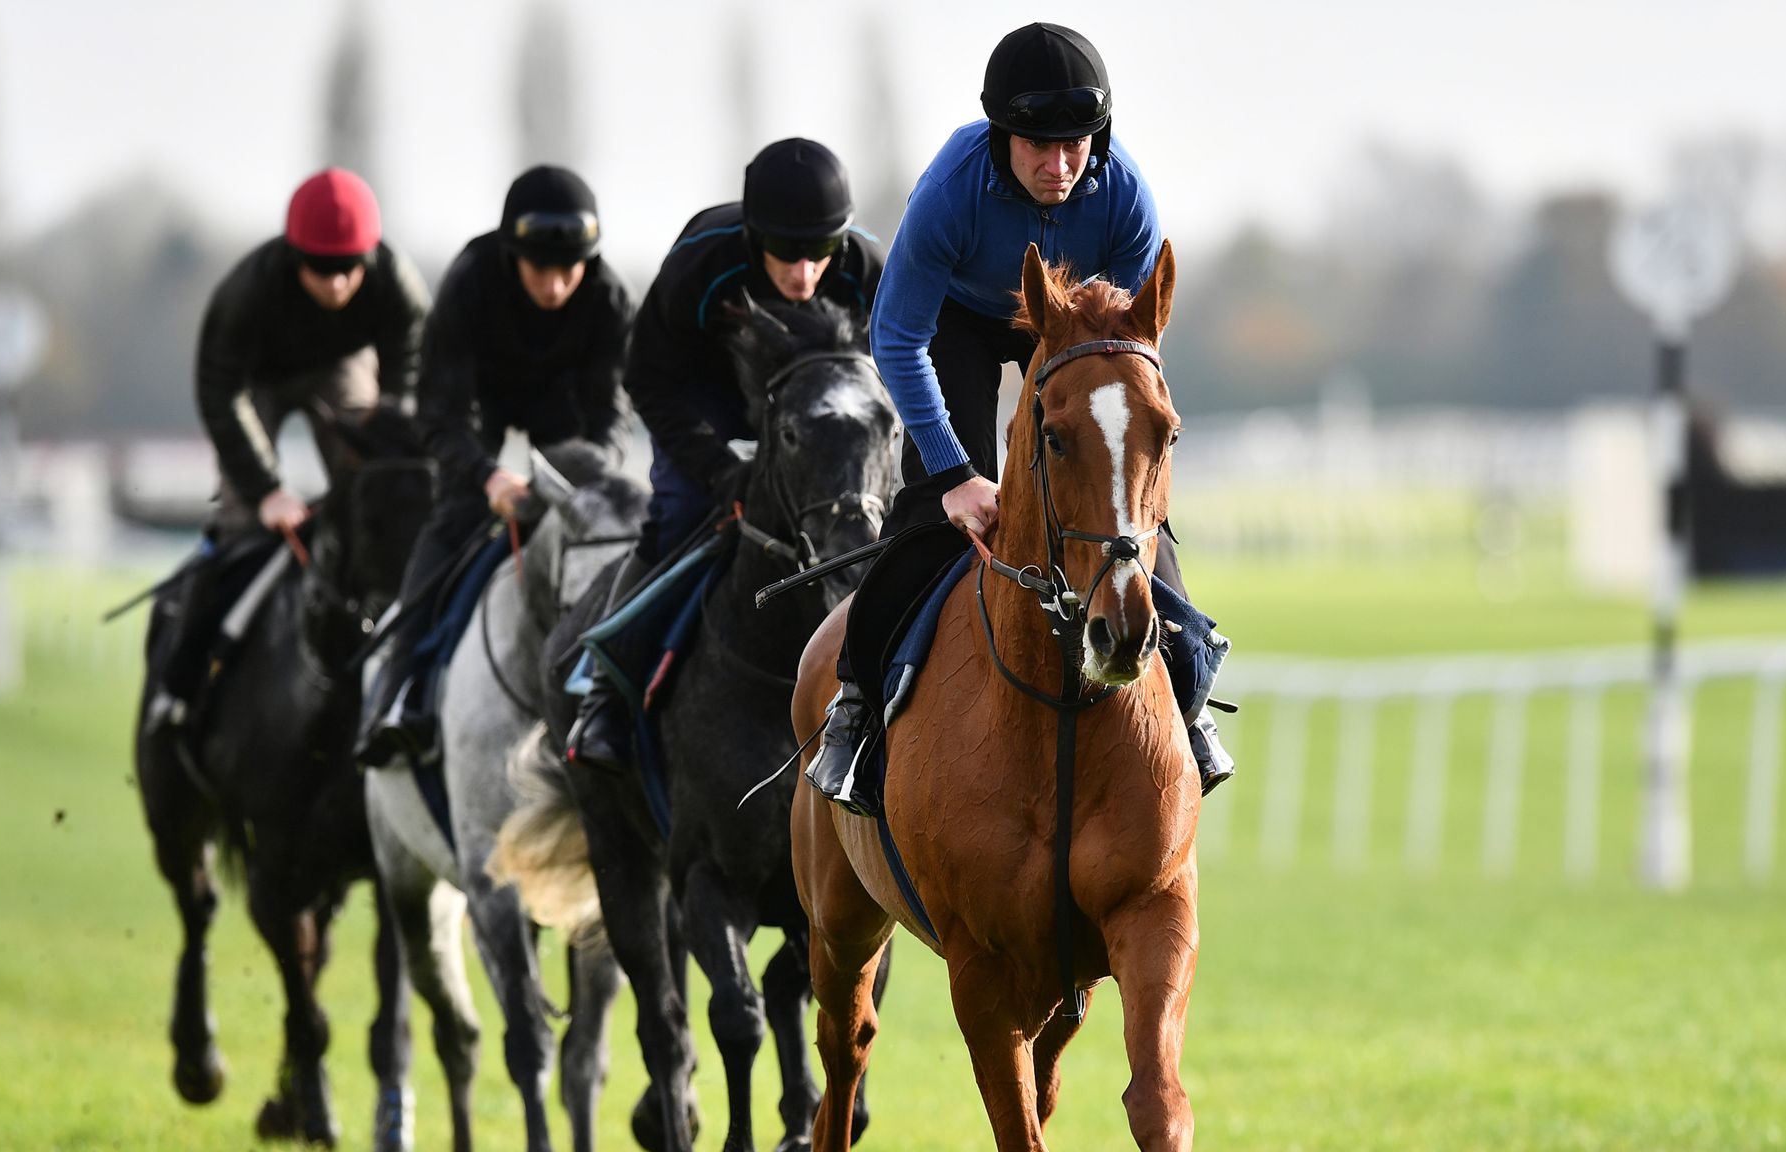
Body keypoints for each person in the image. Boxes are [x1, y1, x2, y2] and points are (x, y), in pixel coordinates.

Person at [804, 22, 1234, 800]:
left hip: (1075, 331)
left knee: (1136, 527)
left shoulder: (1127, 196)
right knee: (931, 516)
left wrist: (1132, 490)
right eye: (1038, 145)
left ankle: (1190, 704)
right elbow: (896, 336)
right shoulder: (950, 190)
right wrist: (954, 472)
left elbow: (1136, 355)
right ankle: (858, 710)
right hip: (960, 326)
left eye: (1076, 144)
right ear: (1002, 135)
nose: (1059, 164)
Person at [564, 138, 886, 773]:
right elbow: (648, 379)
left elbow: (899, 372)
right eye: (786, 254)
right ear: (752, 236)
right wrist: (717, 468)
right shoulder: (699, 263)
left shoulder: (868, 268)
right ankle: (603, 694)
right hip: (713, 405)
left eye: (819, 252)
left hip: (819, 415)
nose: (803, 275)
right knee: (679, 514)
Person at [356, 165, 637, 765]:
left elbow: (610, 422)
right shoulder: (469, 282)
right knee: (452, 520)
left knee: (603, 530)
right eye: (542, 270)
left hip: (565, 418)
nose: (558, 286)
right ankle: (399, 691)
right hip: (476, 404)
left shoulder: (610, 297)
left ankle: (620, 698)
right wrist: (487, 478)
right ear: (512, 257)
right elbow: (438, 414)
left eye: (571, 270)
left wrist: (576, 481)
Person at [146, 168, 429, 732]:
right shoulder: (246, 292)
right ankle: (183, 683)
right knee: (240, 522)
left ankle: (405, 667)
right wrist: (267, 491)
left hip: (343, 366)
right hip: (255, 385)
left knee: (383, 503)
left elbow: (409, 374)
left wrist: (387, 437)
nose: (338, 284)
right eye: (322, 270)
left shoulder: (397, 283)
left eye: (350, 268)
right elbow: (220, 395)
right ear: (294, 256)